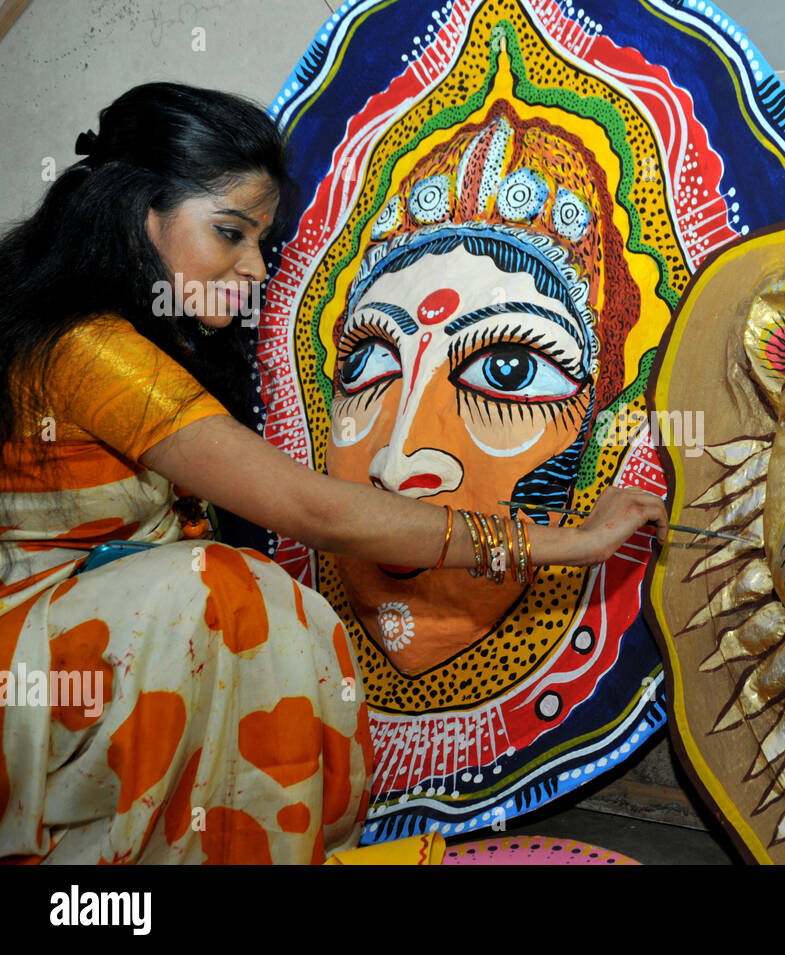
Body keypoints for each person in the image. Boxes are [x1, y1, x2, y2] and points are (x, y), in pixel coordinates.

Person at [0, 82, 667, 864]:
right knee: (213, 592)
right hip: (31, 670)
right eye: (229, 233)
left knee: (276, 606)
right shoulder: (89, 349)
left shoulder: (145, 336)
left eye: (511, 368)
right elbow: (312, 509)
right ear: (136, 212)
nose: (252, 267)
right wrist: (569, 543)